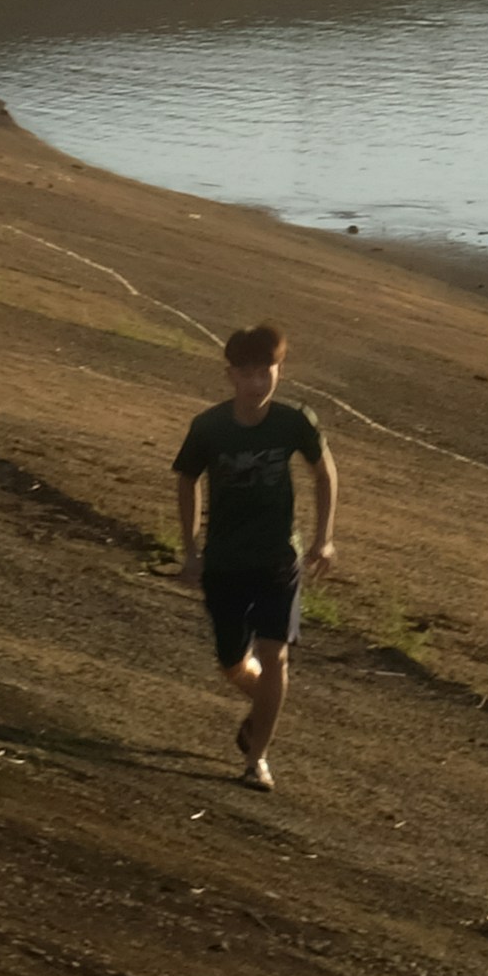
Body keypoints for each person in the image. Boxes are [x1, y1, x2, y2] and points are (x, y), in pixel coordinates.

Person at [169, 322, 337, 786]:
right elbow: (187, 479)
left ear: (279, 372)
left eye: (267, 372)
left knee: (275, 656)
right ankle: (266, 704)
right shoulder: (209, 427)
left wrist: (324, 538)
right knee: (231, 661)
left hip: (278, 559)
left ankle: (256, 759)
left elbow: (325, 473)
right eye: (248, 374)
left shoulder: (294, 421)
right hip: (224, 561)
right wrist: (191, 549)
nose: (258, 383)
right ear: (231, 376)